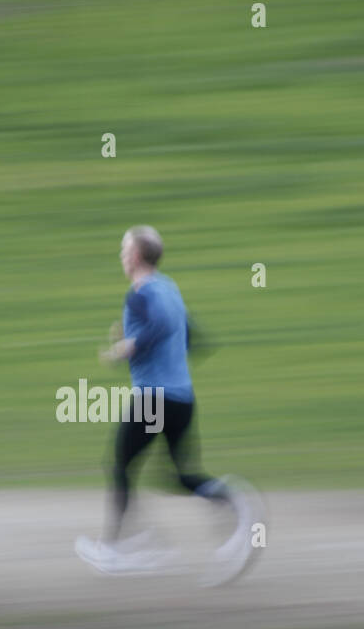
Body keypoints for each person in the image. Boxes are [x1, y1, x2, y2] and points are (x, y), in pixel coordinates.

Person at [75, 226, 258, 584]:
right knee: (179, 475)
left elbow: (158, 326)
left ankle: (116, 548)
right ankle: (236, 504)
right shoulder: (170, 288)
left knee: (119, 465)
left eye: (124, 249)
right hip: (181, 400)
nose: (121, 256)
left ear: (136, 257)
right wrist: (138, 342)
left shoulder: (139, 294)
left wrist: (126, 348)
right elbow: (190, 337)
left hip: (152, 399)